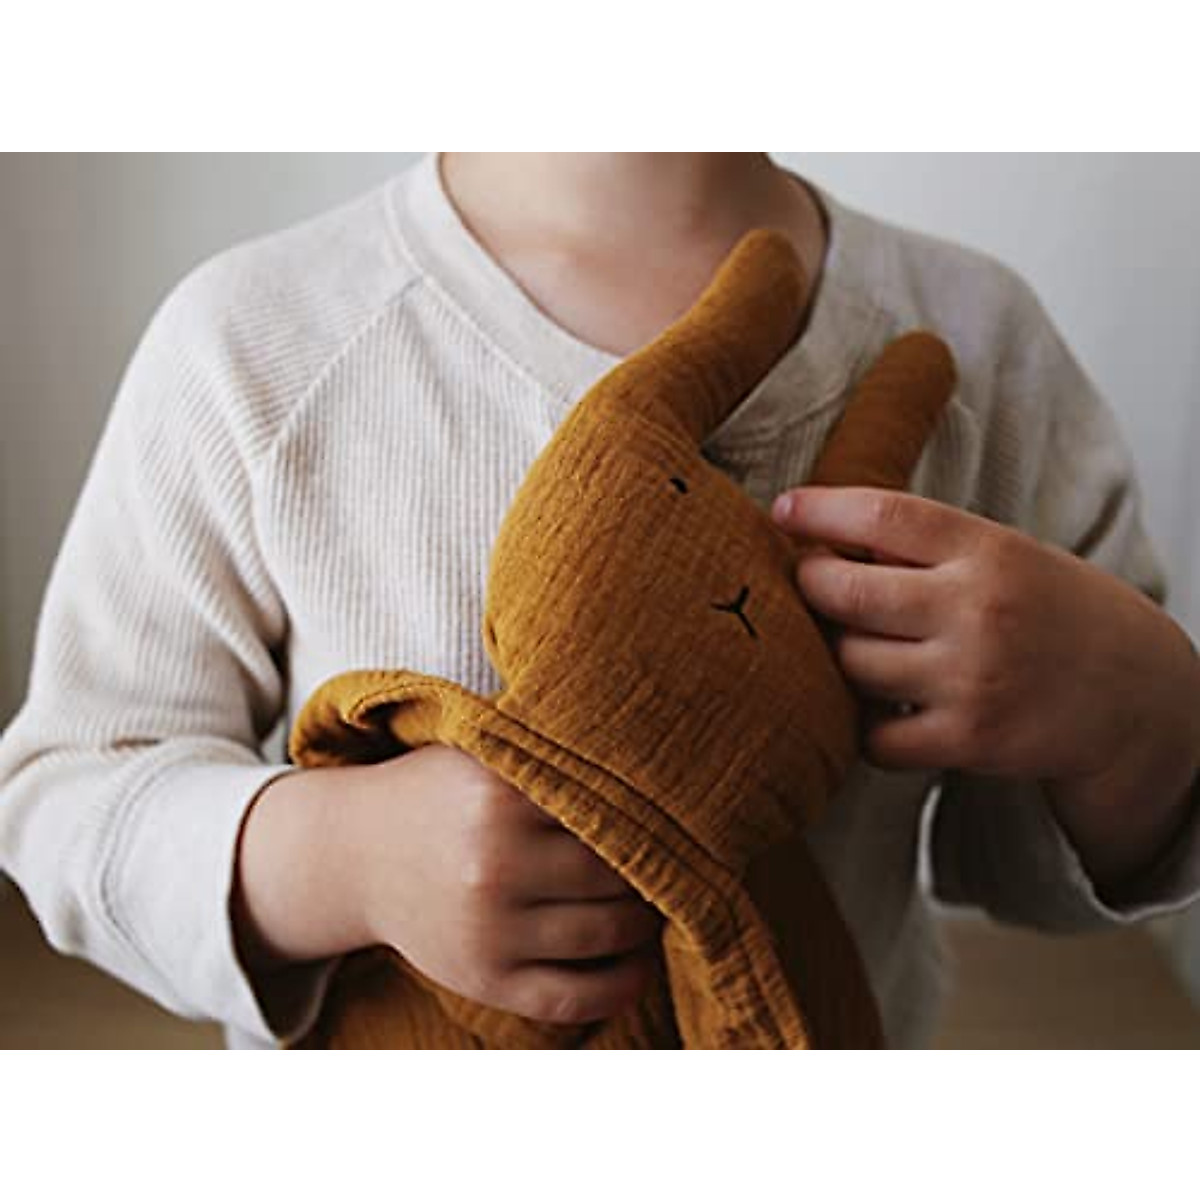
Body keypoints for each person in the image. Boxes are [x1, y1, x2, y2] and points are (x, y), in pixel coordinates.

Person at [1, 152, 1197, 1049]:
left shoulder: (987, 350)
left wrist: (1138, 706)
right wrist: (338, 858)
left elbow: (1034, 876)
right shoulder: (252, 341)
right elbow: (66, 795)